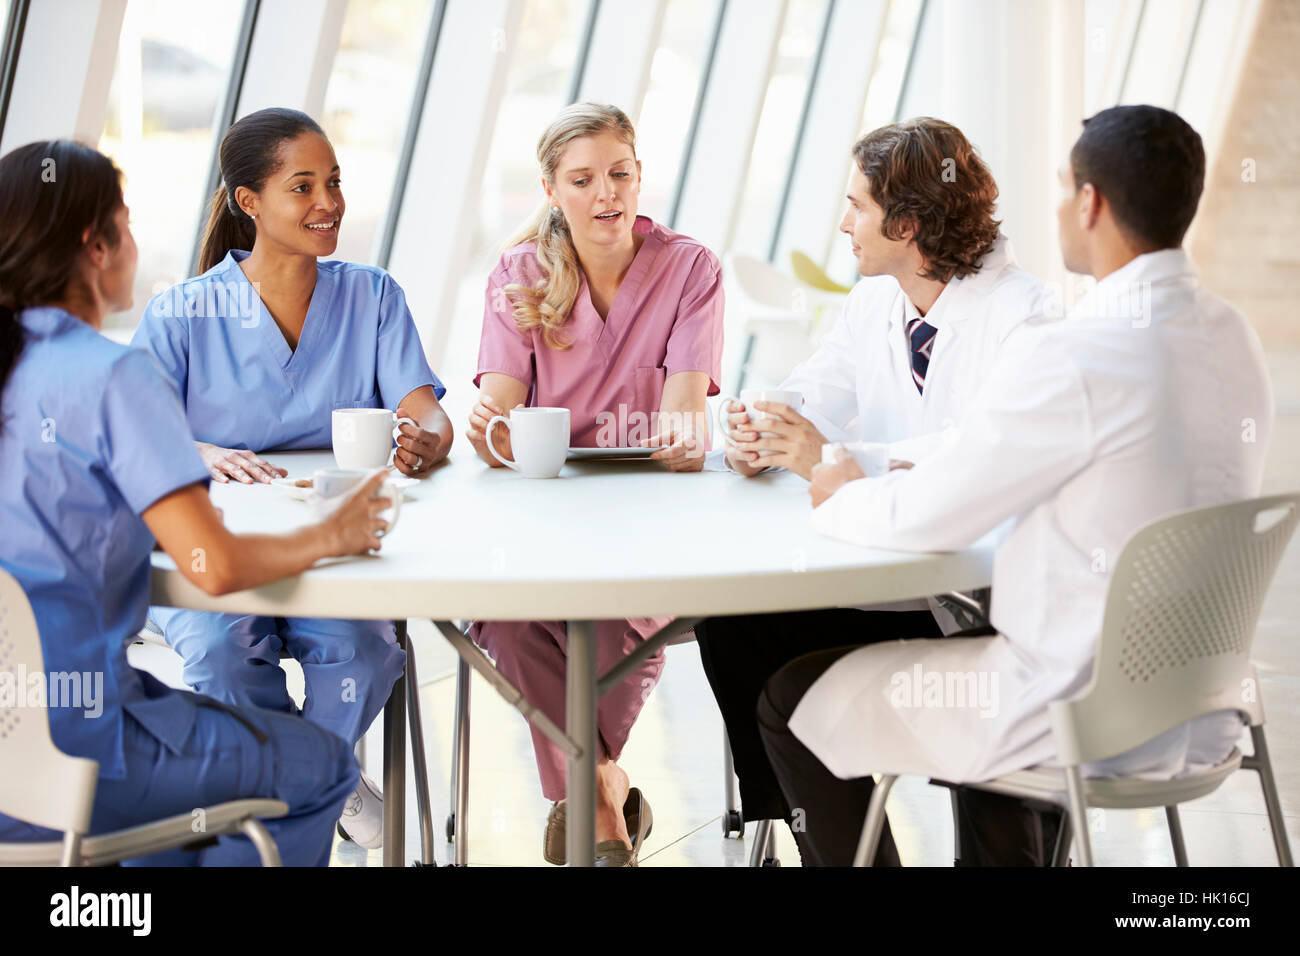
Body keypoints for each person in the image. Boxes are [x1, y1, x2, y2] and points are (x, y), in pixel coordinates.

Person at [757, 105, 1273, 866]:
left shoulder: (1079, 353)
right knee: (973, 643)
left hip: (1078, 709)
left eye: (1067, 189)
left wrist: (841, 488)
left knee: (789, 698)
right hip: (1198, 698)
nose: (1061, 206)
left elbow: (939, 510)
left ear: (1091, 203)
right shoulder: (1234, 336)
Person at [0, 140, 398, 865]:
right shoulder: (111, 376)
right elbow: (208, 564)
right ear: (97, 246)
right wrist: (328, 535)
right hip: (83, 754)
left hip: (12, 769)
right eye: (125, 223)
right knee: (322, 771)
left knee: (188, 828)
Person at [694, 118, 1056, 862]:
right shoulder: (876, 301)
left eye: (857, 206)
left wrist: (829, 455)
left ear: (909, 222)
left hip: (980, 607)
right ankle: (816, 836)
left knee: (789, 675)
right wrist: (759, 426)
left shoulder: (1026, 316)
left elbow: (978, 457)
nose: (843, 223)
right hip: (892, 582)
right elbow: (815, 389)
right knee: (733, 626)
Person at [131, 108, 454, 850]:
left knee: (366, 653)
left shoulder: (372, 297)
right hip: (215, 546)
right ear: (250, 202)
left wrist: (424, 442)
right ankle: (322, 781)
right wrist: (200, 448)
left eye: (334, 183)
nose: (328, 203)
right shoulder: (181, 313)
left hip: (333, 542)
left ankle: (310, 779)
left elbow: (426, 413)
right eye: (303, 186)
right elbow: (137, 438)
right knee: (220, 655)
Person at [464, 102, 724, 866]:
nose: (606, 193)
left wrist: (682, 439)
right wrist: (487, 427)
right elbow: (501, 412)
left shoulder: (689, 269)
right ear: (551, 189)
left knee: (617, 628)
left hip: (651, 521)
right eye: (583, 179)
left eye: (620, 173)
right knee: (507, 622)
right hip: (544, 520)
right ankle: (603, 787)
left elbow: (683, 419)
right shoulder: (518, 275)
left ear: (640, 176)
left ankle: (589, 808)